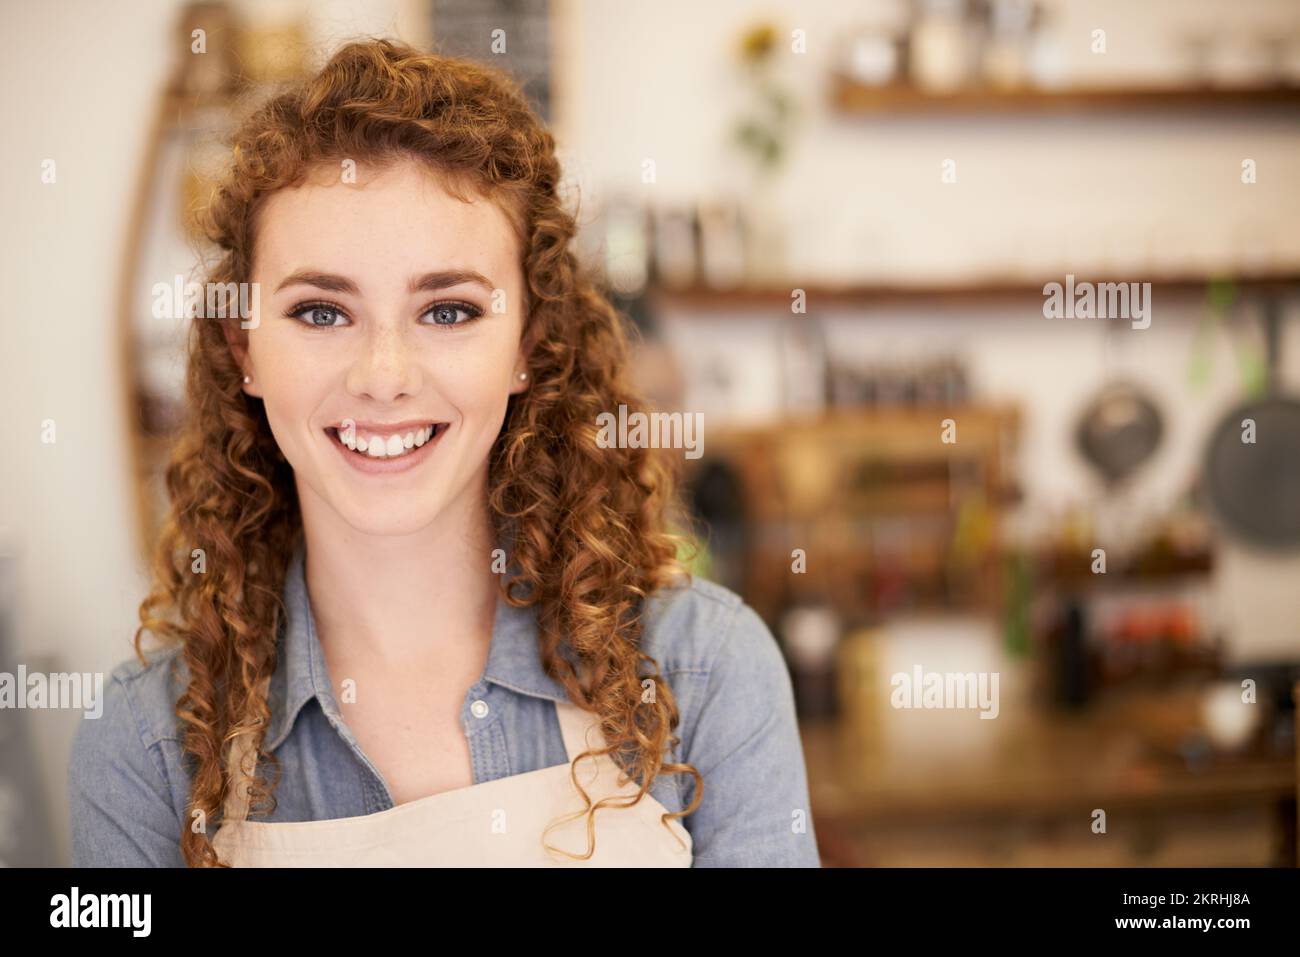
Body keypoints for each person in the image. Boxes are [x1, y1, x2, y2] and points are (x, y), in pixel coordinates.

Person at [68, 38, 819, 868]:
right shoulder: (144, 748)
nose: (383, 377)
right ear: (242, 349)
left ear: (529, 344)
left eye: (449, 311)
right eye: (321, 311)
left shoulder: (706, 671)